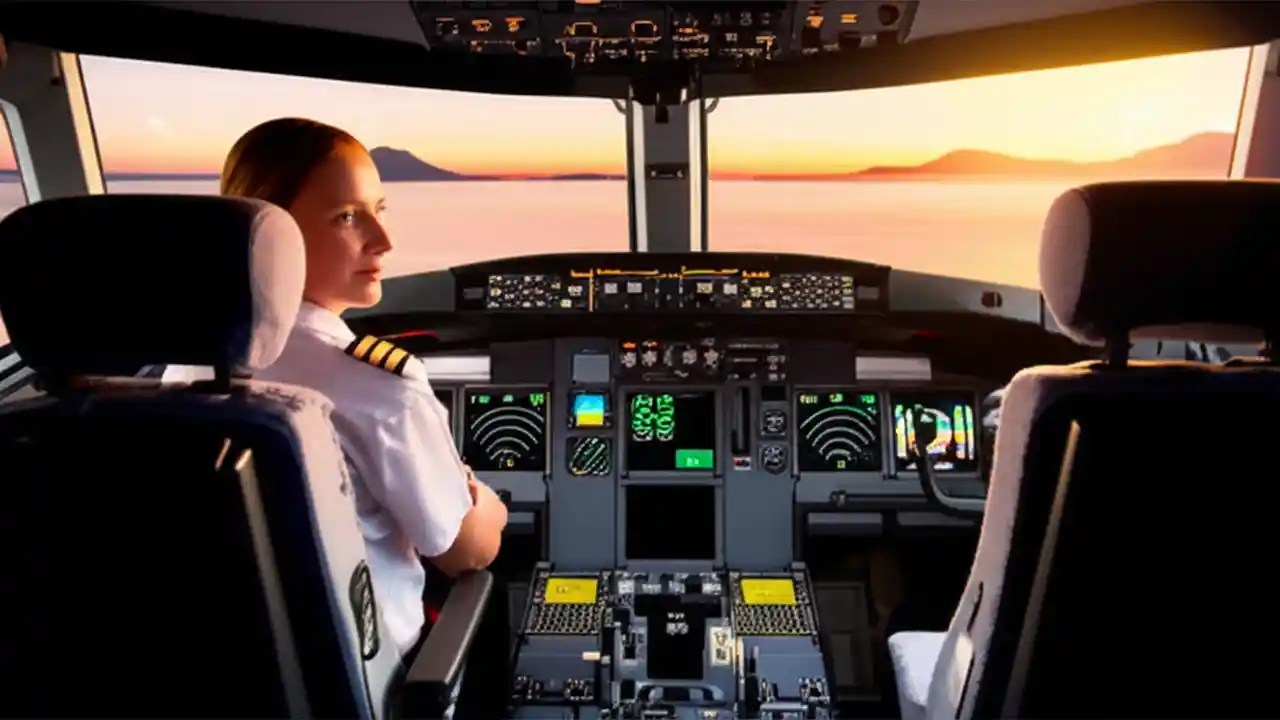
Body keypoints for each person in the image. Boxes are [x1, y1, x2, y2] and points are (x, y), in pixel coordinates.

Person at [219, 117, 509, 659]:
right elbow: (466, 552)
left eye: (379, 210)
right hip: (365, 689)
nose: (384, 240)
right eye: (347, 217)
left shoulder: (176, 375)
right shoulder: (378, 387)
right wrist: (485, 500)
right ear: (273, 237)